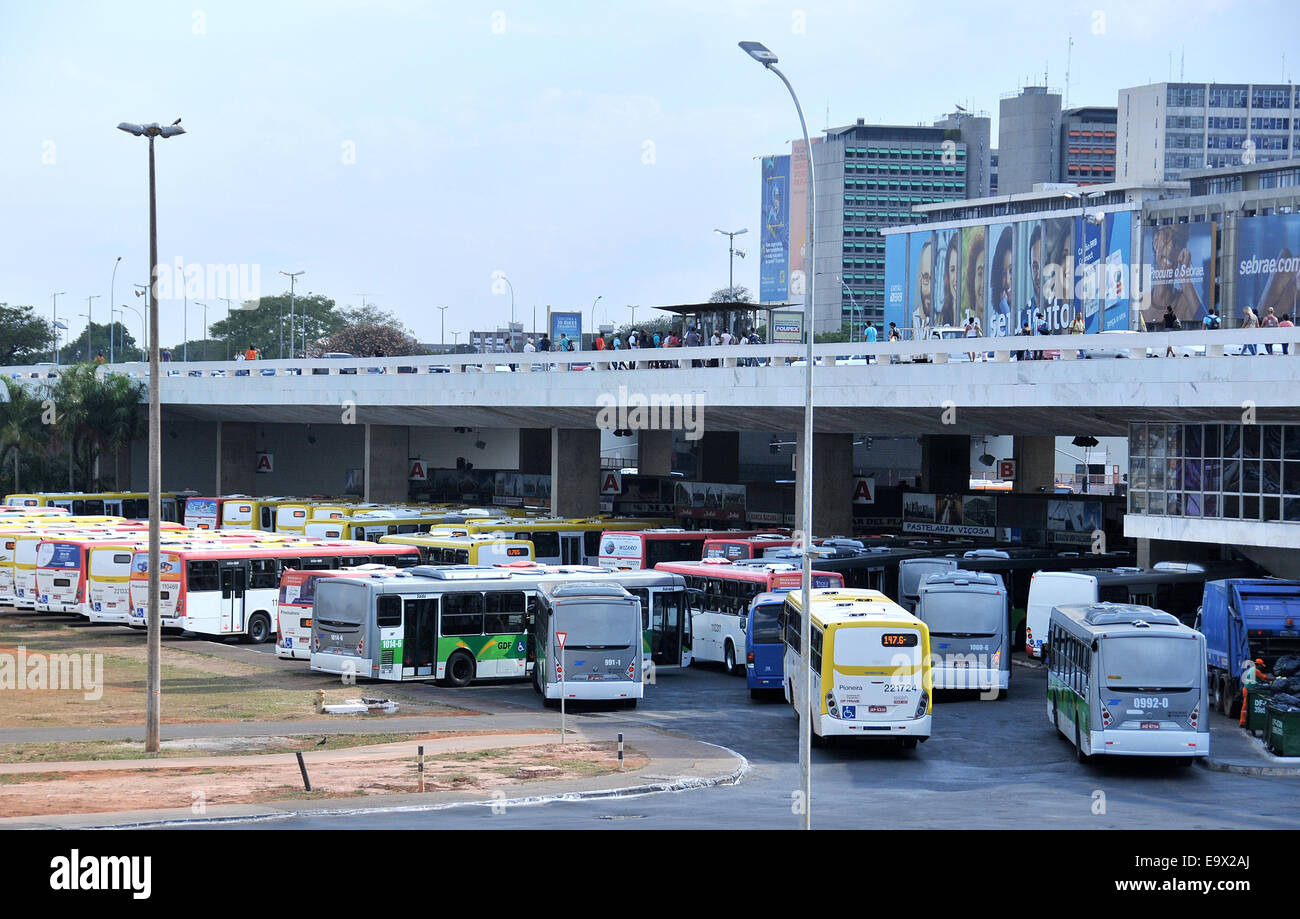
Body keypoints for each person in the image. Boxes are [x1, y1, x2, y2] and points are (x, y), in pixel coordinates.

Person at [1240, 658, 1273, 727]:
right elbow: (1264, 677)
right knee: (1245, 706)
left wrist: (1267, 682)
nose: (1261, 667)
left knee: (1246, 706)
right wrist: (1276, 679)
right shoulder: (1255, 670)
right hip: (1248, 689)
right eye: (1261, 666)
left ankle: (1244, 721)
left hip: (1247, 688)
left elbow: (1262, 679)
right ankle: (1242, 722)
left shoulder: (1251, 669)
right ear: (1258, 665)